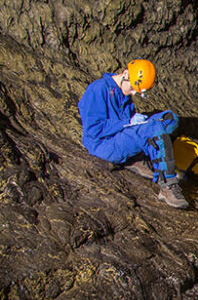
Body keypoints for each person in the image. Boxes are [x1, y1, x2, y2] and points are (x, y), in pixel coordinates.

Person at [77, 59, 189, 209]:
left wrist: (132, 122)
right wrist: (128, 122)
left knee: (169, 118)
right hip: (103, 144)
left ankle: (135, 158)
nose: (133, 93)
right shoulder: (98, 90)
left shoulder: (124, 91)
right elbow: (93, 129)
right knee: (154, 128)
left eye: (138, 91)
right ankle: (167, 185)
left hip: (121, 136)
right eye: (133, 88)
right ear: (125, 74)